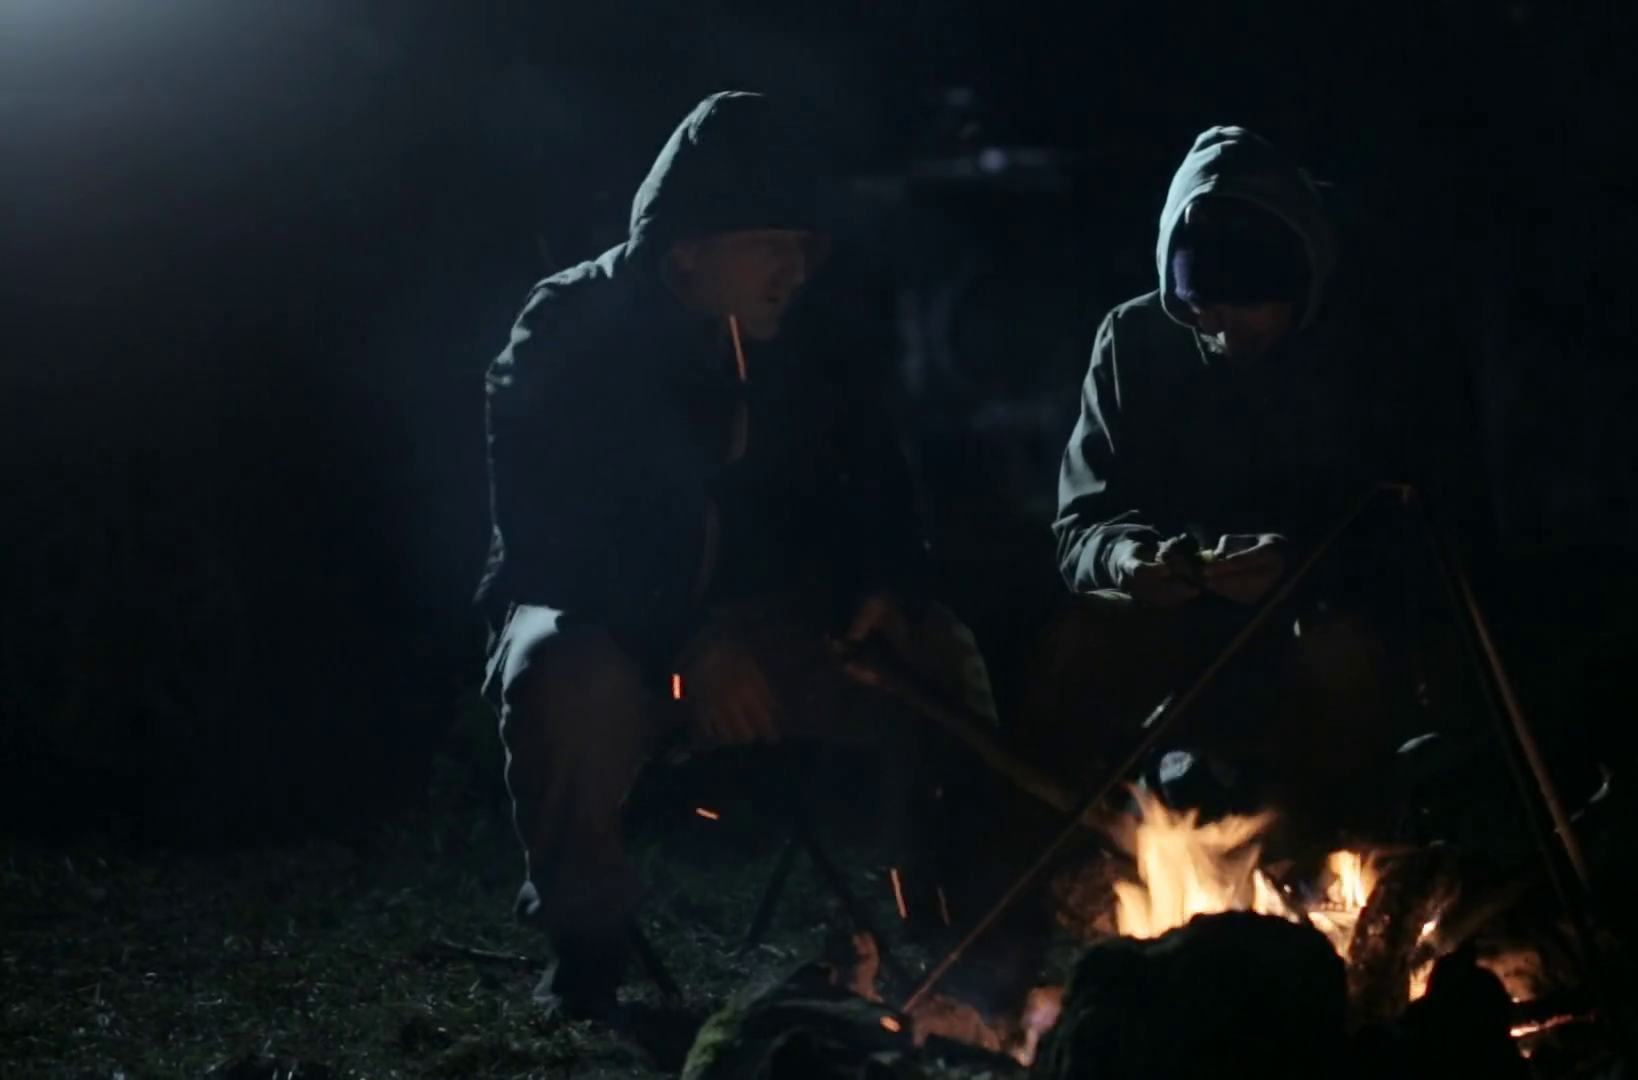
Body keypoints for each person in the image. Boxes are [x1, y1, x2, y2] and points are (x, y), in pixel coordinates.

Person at [475, 90, 998, 1022]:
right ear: (687, 252)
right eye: (771, 246)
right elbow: (549, 536)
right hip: (620, 629)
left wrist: (882, 582)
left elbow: (878, 479)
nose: (795, 270)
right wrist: (686, 643)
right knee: (557, 679)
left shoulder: (811, 339)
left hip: (775, 633)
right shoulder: (567, 332)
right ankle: (587, 949)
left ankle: (956, 920)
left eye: (804, 245)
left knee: (938, 660)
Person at [1038, 123, 1495, 844]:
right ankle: (1052, 890)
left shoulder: (1378, 346)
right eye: (1199, 307)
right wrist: (1132, 561)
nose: (1221, 329)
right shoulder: (1135, 343)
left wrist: (1304, 567)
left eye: (1245, 305)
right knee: (1080, 644)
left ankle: (1320, 876)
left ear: (1299, 281)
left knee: (1339, 655)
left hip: (1334, 617)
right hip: (1179, 618)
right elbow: (1083, 522)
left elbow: (1446, 522)